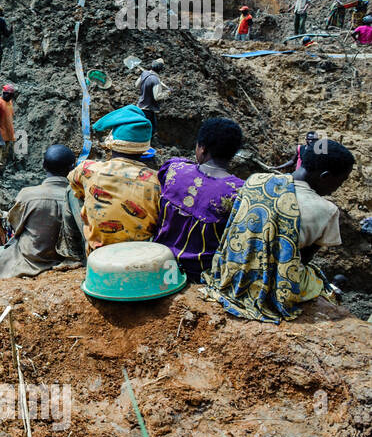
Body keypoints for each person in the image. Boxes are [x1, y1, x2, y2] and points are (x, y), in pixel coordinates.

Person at [203, 140, 353, 323]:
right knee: (316, 279)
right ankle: (333, 291)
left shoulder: (255, 180)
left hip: (231, 273)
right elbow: (302, 258)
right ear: (325, 176)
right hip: (274, 288)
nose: (338, 188)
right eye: (341, 181)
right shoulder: (327, 210)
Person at [0, 143, 84, 280]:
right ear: (72, 168)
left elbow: (14, 225)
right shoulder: (80, 198)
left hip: (28, 263)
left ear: (44, 165)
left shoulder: (28, 195)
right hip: (63, 262)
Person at [153, 117, 245, 280]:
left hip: (160, 261)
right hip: (200, 273)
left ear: (202, 149)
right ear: (233, 154)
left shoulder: (174, 169)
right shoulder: (238, 192)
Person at [68, 105, 161, 251]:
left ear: (111, 141)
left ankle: (75, 250)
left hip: (100, 251)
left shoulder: (88, 169)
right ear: (145, 148)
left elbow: (74, 185)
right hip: (143, 252)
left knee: (70, 190)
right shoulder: (157, 181)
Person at [136, 58, 164, 139]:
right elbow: (157, 97)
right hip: (148, 110)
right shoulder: (155, 80)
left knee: (142, 127)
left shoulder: (144, 74)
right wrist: (167, 93)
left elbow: (137, 85)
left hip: (140, 106)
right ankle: (145, 146)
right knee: (150, 129)